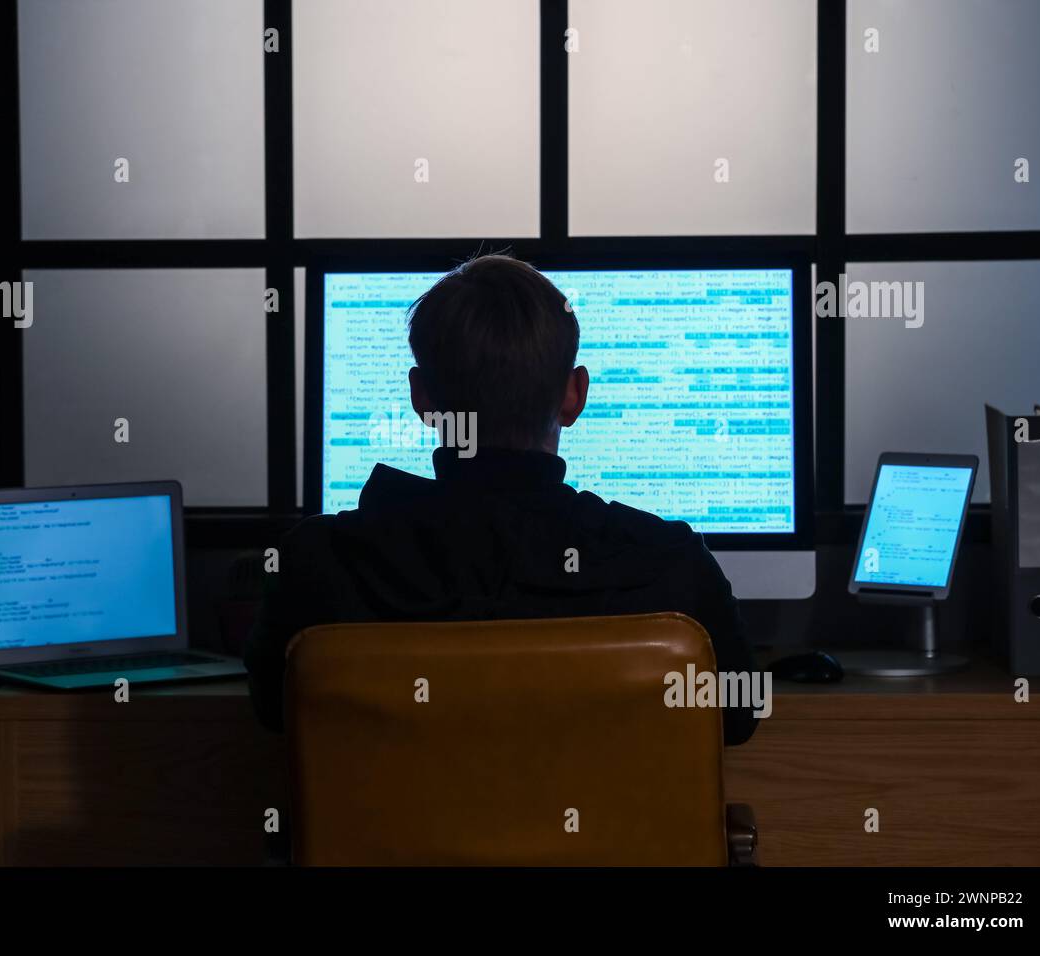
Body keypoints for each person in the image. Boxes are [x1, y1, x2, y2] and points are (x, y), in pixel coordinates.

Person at [244, 254, 758, 745]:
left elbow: (271, 710)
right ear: (574, 395)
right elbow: (739, 717)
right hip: (604, 839)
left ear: (421, 399)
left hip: (401, 841)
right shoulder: (671, 567)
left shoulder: (316, 565)